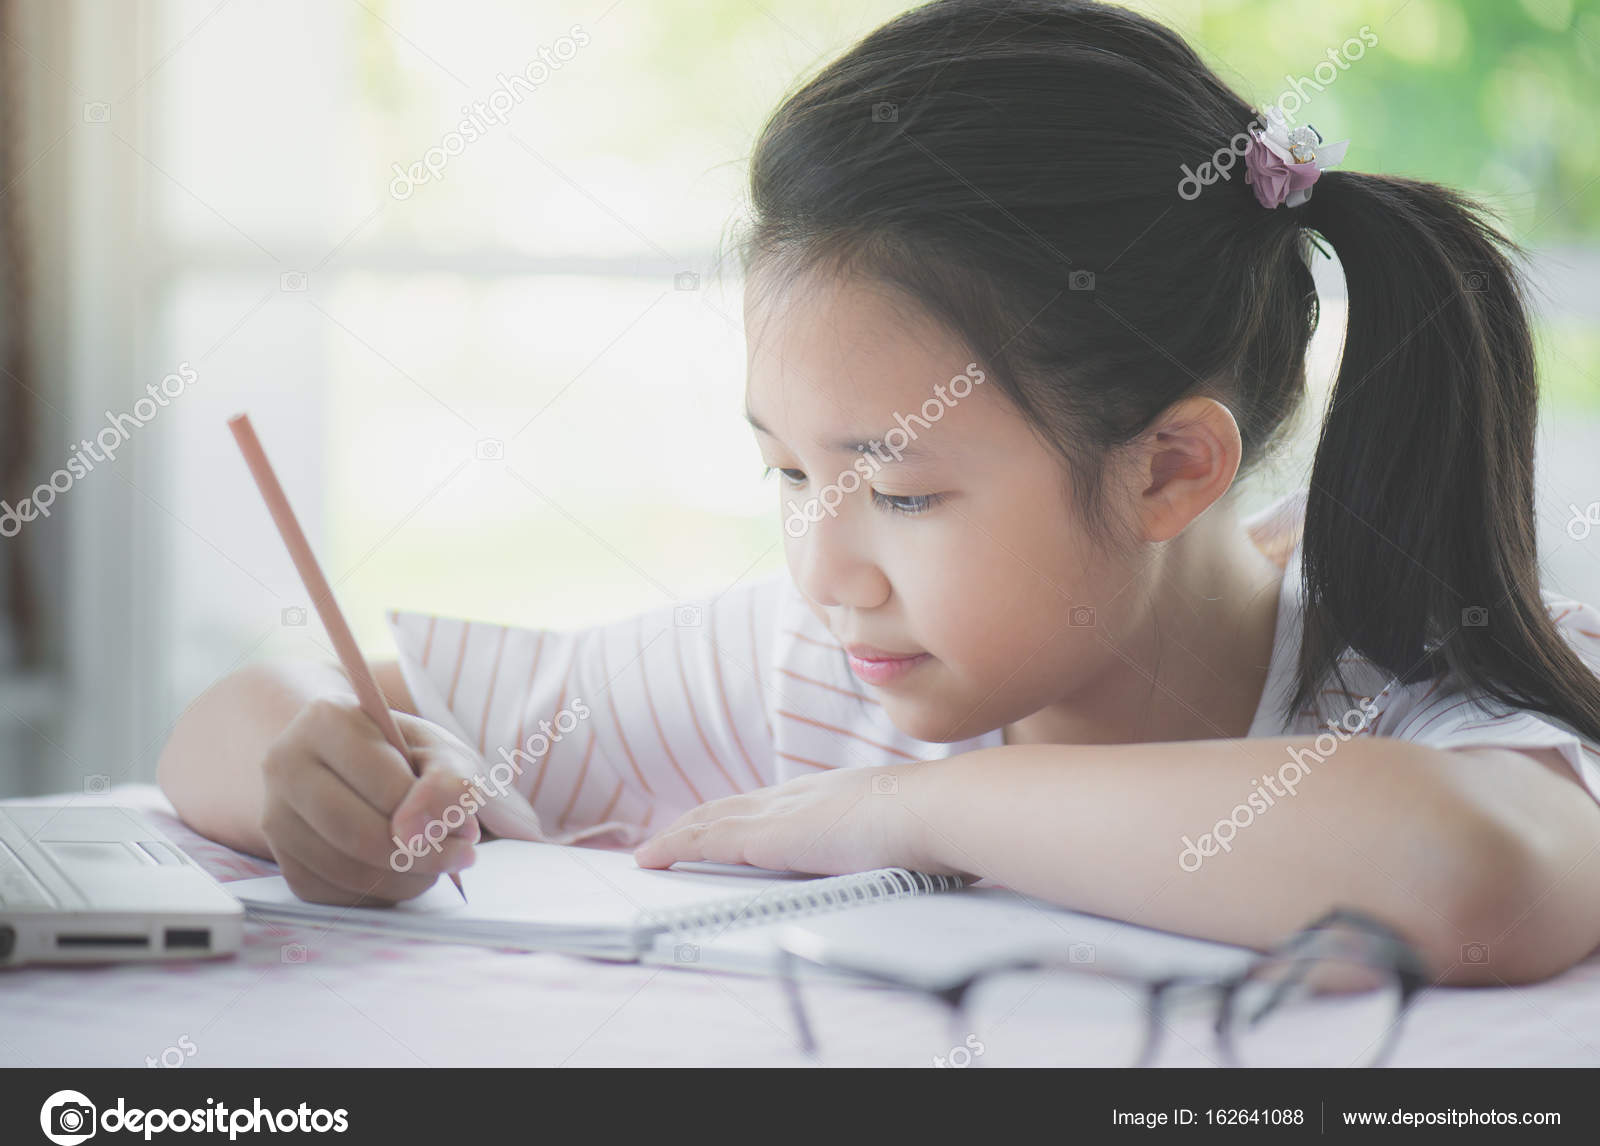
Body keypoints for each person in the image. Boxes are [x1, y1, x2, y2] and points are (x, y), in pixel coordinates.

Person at [158, 0, 1600, 986]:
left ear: (1170, 469)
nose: (823, 568)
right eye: (788, 471)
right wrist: (312, 775)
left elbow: (1476, 873)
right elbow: (236, 723)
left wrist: (919, 815)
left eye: (897, 492)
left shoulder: (1414, 670)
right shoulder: (816, 673)